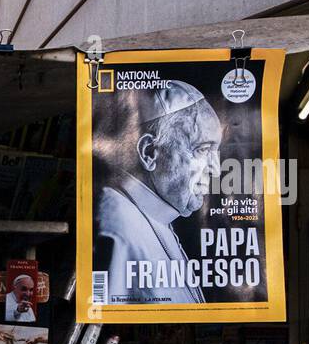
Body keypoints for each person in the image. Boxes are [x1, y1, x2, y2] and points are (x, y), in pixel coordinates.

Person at [94, 80, 222, 305]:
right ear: (149, 152)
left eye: (216, 151)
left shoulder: (158, 216)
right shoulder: (117, 226)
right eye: (203, 149)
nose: (216, 170)